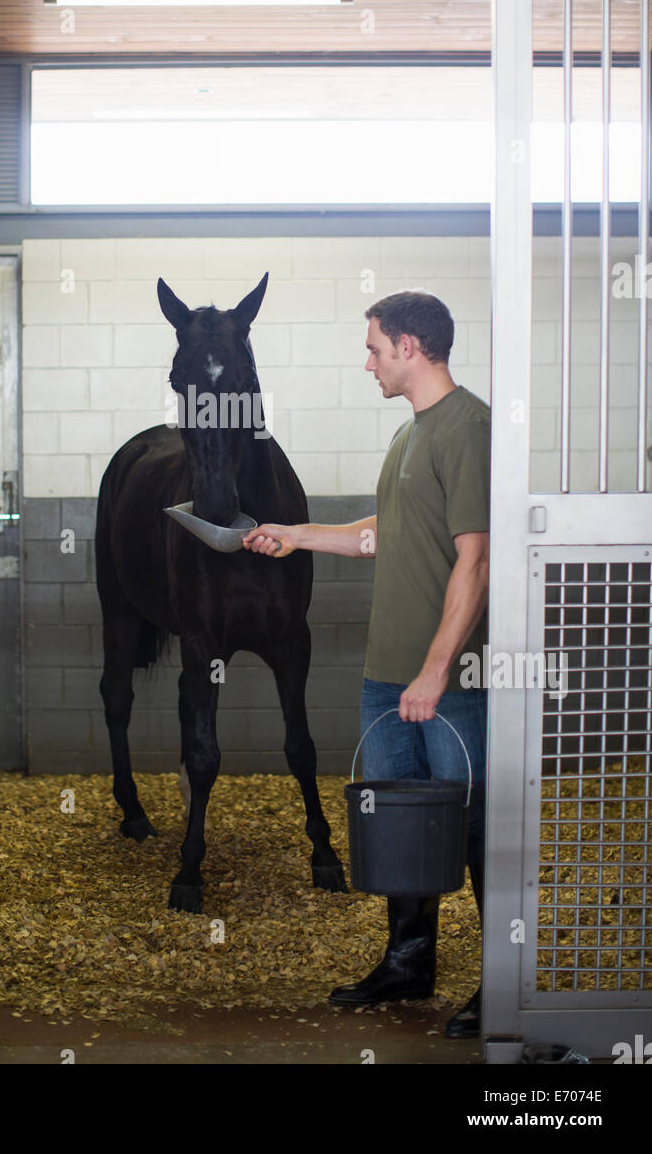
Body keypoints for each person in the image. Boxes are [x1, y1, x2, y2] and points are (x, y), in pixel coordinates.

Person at [242, 290, 489, 1040]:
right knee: (402, 827)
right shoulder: (408, 437)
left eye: (376, 347)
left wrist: (436, 670)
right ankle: (409, 961)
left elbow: (476, 560)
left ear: (411, 346)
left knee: (471, 826)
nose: (369, 361)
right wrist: (297, 535)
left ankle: (505, 981)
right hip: (389, 676)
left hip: (444, 684)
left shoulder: (469, 427)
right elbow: (380, 534)